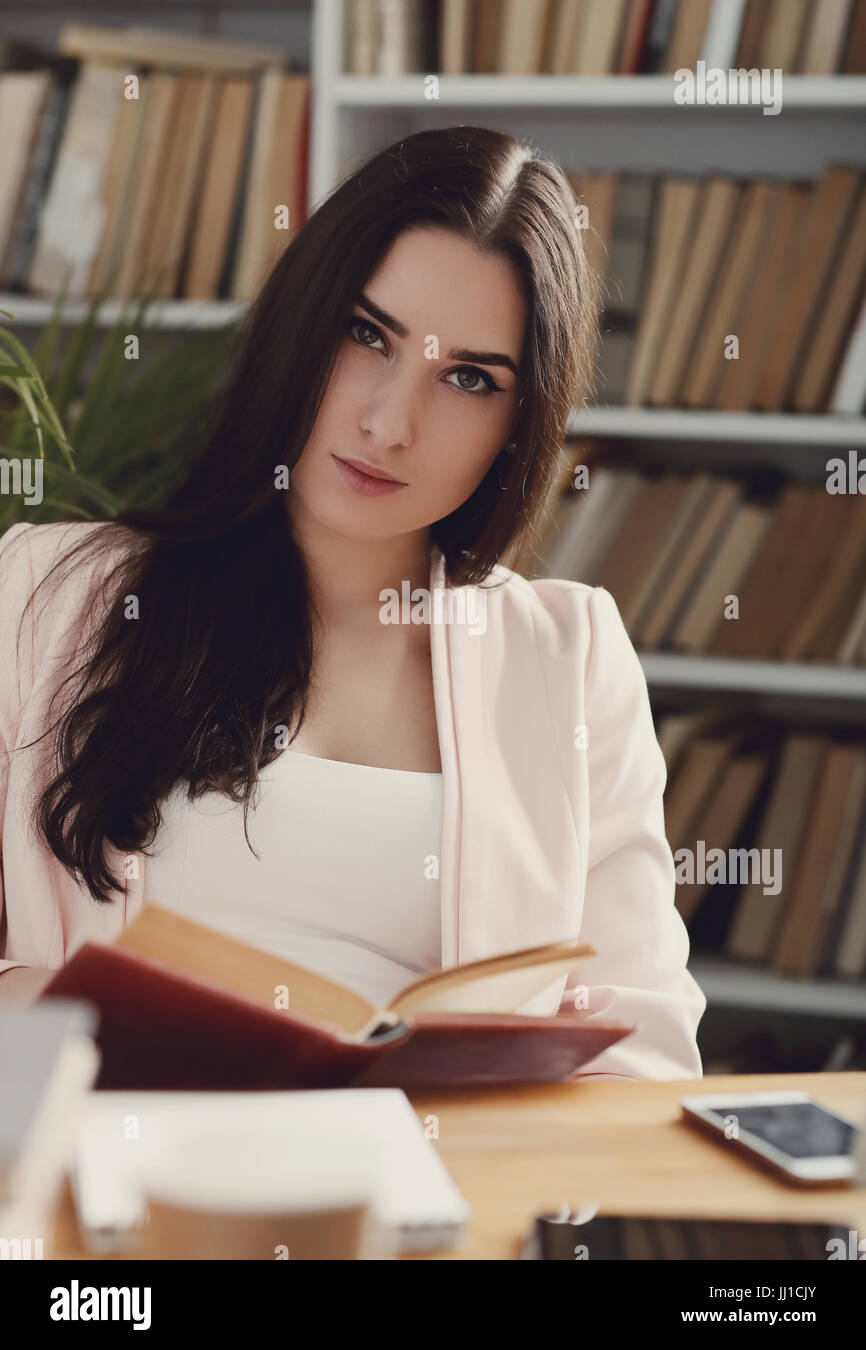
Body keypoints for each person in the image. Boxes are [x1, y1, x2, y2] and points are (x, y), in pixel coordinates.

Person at [0, 126, 705, 1079]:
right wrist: (127, 1027)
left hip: (424, 1204)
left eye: (468, 377)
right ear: (303, 321)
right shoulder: (50, 596)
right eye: (366, 333)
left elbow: (644, 1061)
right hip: (115, 1188)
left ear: (517, 427)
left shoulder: (569, 660)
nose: (389, 421)